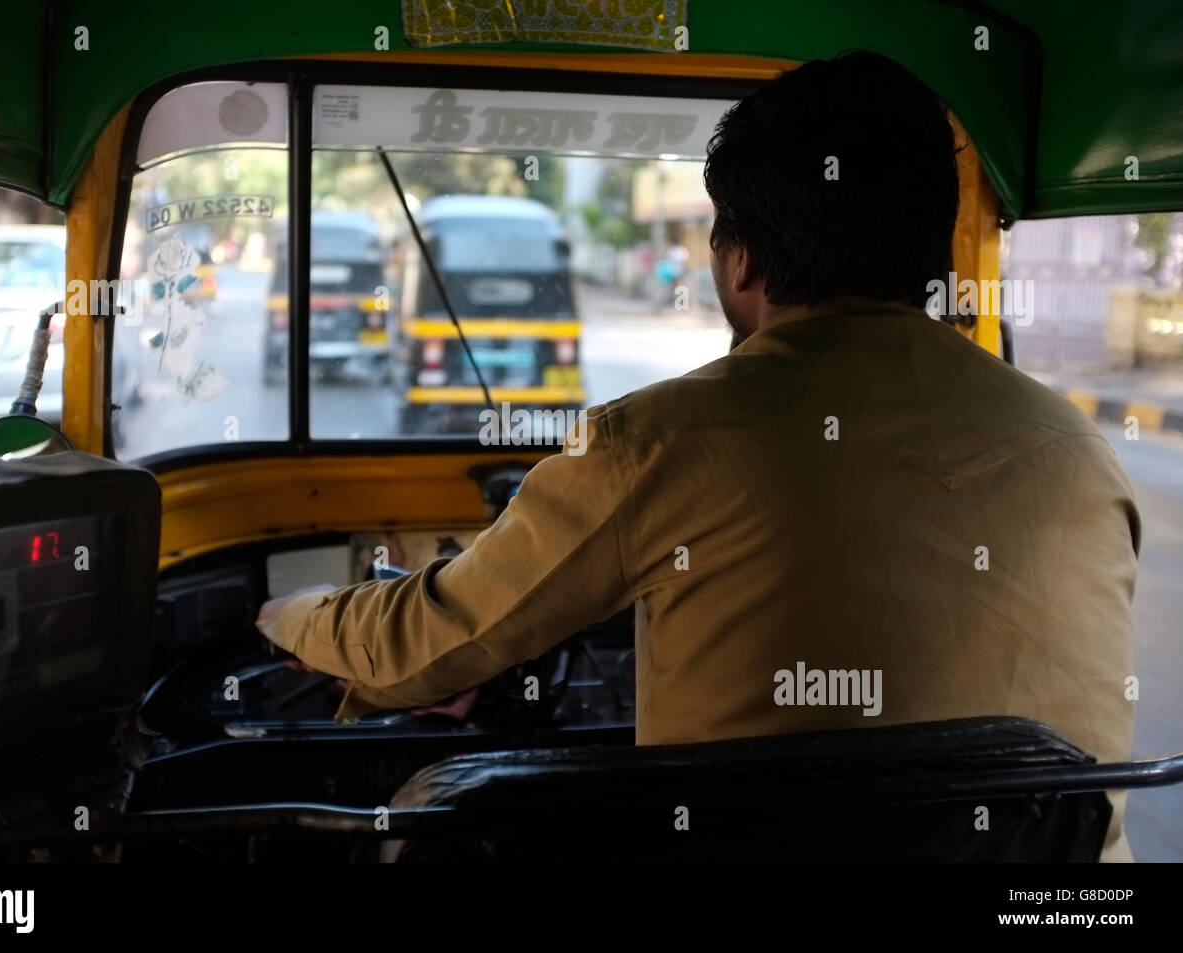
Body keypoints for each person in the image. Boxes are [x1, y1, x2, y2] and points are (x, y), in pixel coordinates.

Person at [257, 51, 1140, 861]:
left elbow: (419, 648)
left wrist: (293, 614)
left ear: (741, 260)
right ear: (934, 243)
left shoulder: (660, 443)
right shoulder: (1080, 450)